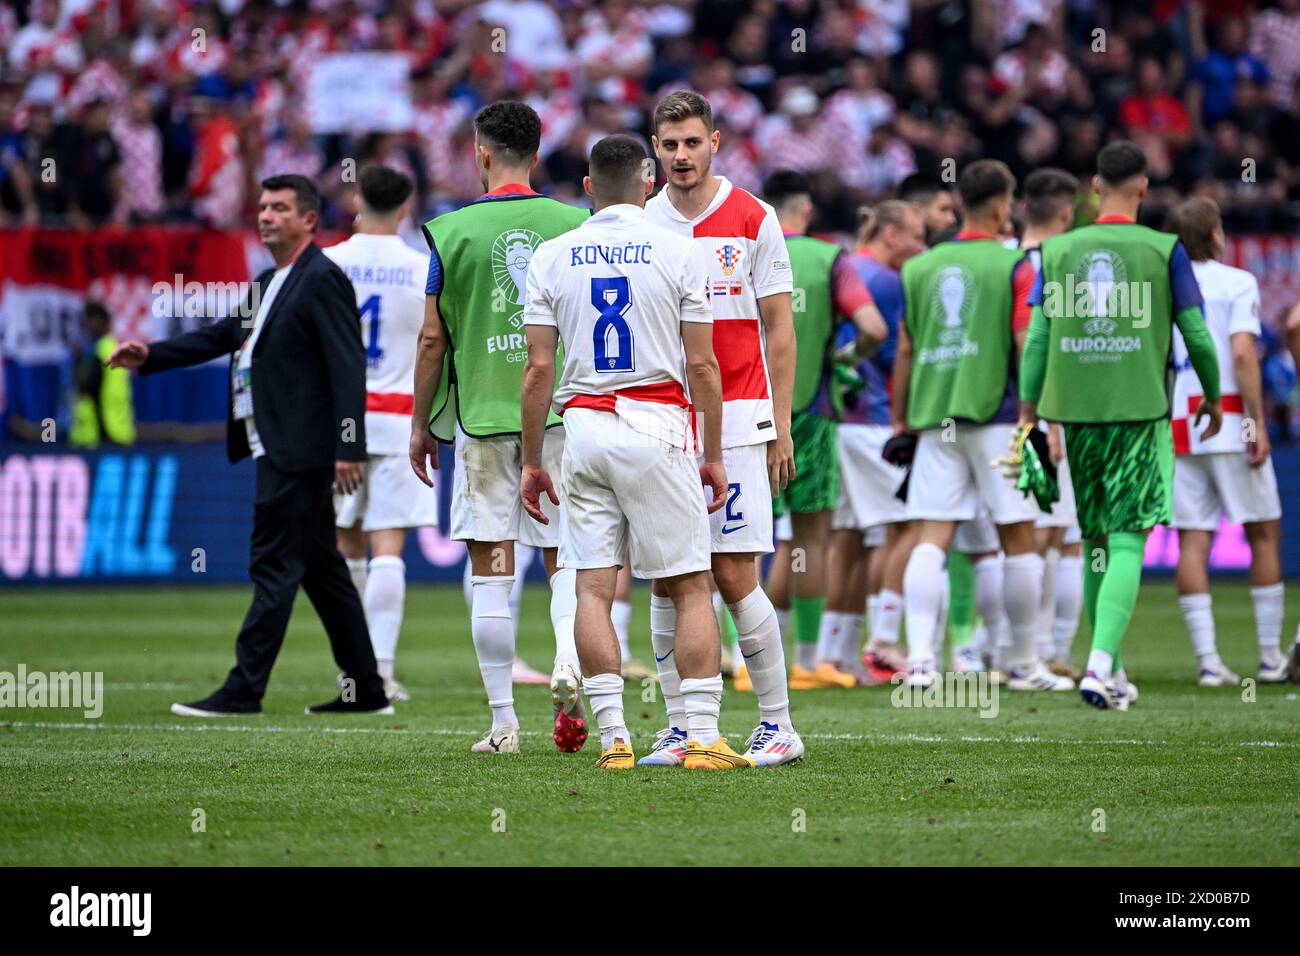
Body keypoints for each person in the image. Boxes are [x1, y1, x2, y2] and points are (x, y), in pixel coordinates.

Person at [108, 174, 390, 716]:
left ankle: (244, 689)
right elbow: (221, 336)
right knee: (320, 569)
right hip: (275, 443)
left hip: (299, 450)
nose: (265, 216)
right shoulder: (269, 282)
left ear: (309, 219)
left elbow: (347, 364)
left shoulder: (321, 278)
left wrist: (348, 444)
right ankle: (367, 689)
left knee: (272, 565)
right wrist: (154, 356)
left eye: (280, 208)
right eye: (262, 207)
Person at [520, 134, 744, 769]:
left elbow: (538, 369)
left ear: (588, 187)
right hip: (657, 423)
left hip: (584, 429)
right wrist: (715, 452)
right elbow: (701, 363)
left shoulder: (553, 255)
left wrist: (532, 461)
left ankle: (616, 740)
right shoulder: (679, 250)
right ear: (648, 185)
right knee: (689, 584)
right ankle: (700, 735)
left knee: (592, 587)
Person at [409, 101, 589, 755]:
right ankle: (569, 660)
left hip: (482, 420)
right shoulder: (576, 223)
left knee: (492, 565)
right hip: (564, 415)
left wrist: (421, 424)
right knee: (566, 557)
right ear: (537, 155)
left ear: (479, 152)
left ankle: (503, 724)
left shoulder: (446, 233)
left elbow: (432, 340)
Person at [1019, 141, 1224, 711]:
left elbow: (1038, 338)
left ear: (1092, 187)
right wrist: (1210, 396)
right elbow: (1200, 336)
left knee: (1097, 542)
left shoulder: (1058, 251)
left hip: (1076, 414)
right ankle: (1101, 665)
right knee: (1131, 535)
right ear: (1143, 187)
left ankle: (1107, 665)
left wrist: (1030, 410)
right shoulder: (1164, 250)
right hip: (1140, 412)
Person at [641, 90, 802, 767]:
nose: (681, 156)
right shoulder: (641, 220)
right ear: (654, 147)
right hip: (660, 420)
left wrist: (782, 425)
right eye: (670, 144)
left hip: (736, 419)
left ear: (716, 142)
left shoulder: (753, 217)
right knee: (665, 575)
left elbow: (780, 328)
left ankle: (778, 726)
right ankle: (681, 727)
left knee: (734, 573)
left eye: (692, 143)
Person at [893, 159, 1072, 693]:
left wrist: (902, 417)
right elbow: (1026, 341)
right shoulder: (1016, 264)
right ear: (1000, 205)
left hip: (934, 418)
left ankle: (922, 662)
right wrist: (1037, 413)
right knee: (1018, 537)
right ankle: (1023, 664)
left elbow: (905, 348)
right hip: (999, 418)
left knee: (931, 538)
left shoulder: (920, 266)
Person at [758, 169, 887, 689]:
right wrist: (844, 357)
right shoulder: (832, 259)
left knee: (736, 542)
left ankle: (741, 660)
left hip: (745, 411)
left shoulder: (741, 250)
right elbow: (874, 329)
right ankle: (808, 663)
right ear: (806, 209)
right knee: (811, 538)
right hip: (810, 413)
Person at [324, 166, 436, 703]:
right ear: (407, 205)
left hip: (337, 420)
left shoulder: (327, 263)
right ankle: (382, 671)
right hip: (399, 418)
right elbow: (435, 343)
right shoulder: (420, 268)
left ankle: (352, 673)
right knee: (389, 545)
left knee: (347, 546)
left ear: (355, 199)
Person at [1165, 196, 1286, 686]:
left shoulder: (1165, 288)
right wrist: (1256, 422)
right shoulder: (1238, 281)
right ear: (1214, 234)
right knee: (1263, 533)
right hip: (1232, 418)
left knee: (1193, 540)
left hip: (1181, 421)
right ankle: (1268, 657)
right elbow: (1241, 354)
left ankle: (1209, 662)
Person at [830, 200, 926, 682]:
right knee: (905, 527)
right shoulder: (888, 281)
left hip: (841, 418)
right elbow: (899, 353)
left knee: (849, 538)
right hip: (878, 421)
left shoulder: (845, 267)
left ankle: (834, 652)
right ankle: (883, 642)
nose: (921, 247)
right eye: (916, 236)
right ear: (890, 234)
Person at [1015, 168, 1085, 681]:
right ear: (1066, 212)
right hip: (1051, 412)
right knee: (1057, 533)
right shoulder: (1066, 266)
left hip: (996, 413)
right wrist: (1047, 415)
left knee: (1013, 540)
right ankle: (1043, 651)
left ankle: (1007, 649)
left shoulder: (1004, 259)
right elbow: (1047, 346)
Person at [70, 300, 136, 448]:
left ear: (103, 323)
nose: (87, 326)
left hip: (104, 432)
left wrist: (77, 362)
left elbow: (87, 385)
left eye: (91, 320)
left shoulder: (101, 351)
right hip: (115, 431)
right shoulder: (112, 348)